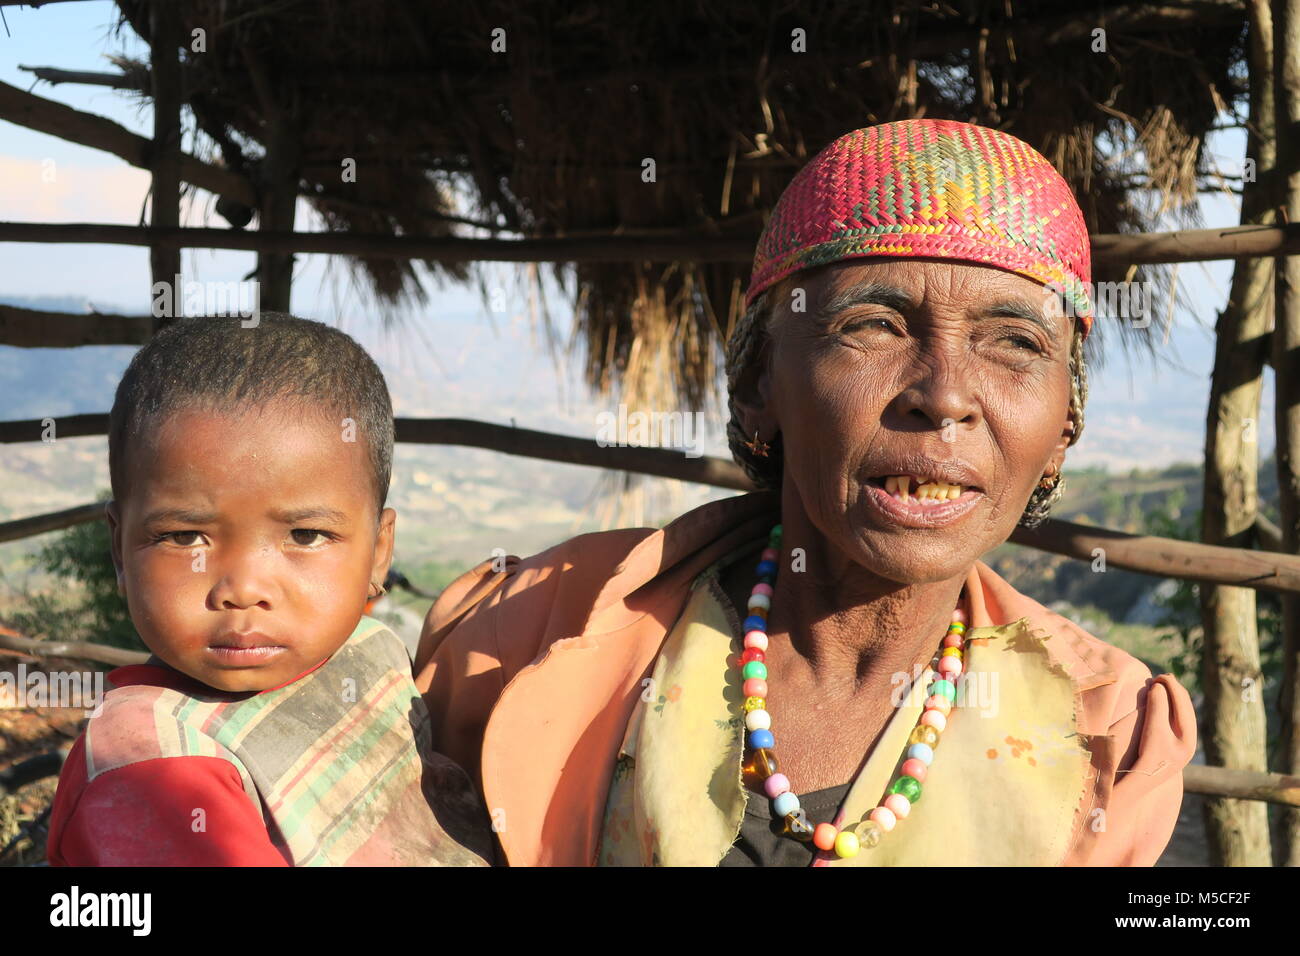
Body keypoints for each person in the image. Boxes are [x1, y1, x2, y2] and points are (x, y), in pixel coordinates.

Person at [414, 118, 1198, 867]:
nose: (946, 395)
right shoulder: (528, 637)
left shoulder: (1106, 733)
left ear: (1064, 427)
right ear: (760, 383)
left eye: (1017, 342)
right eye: (875, 325)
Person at [47, 313, 493, 866]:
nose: (244, 589)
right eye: (185, 536)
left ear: (379, 551)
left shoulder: (369, 654)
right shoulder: (155, 763)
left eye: (306, 535)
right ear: (120, 549)